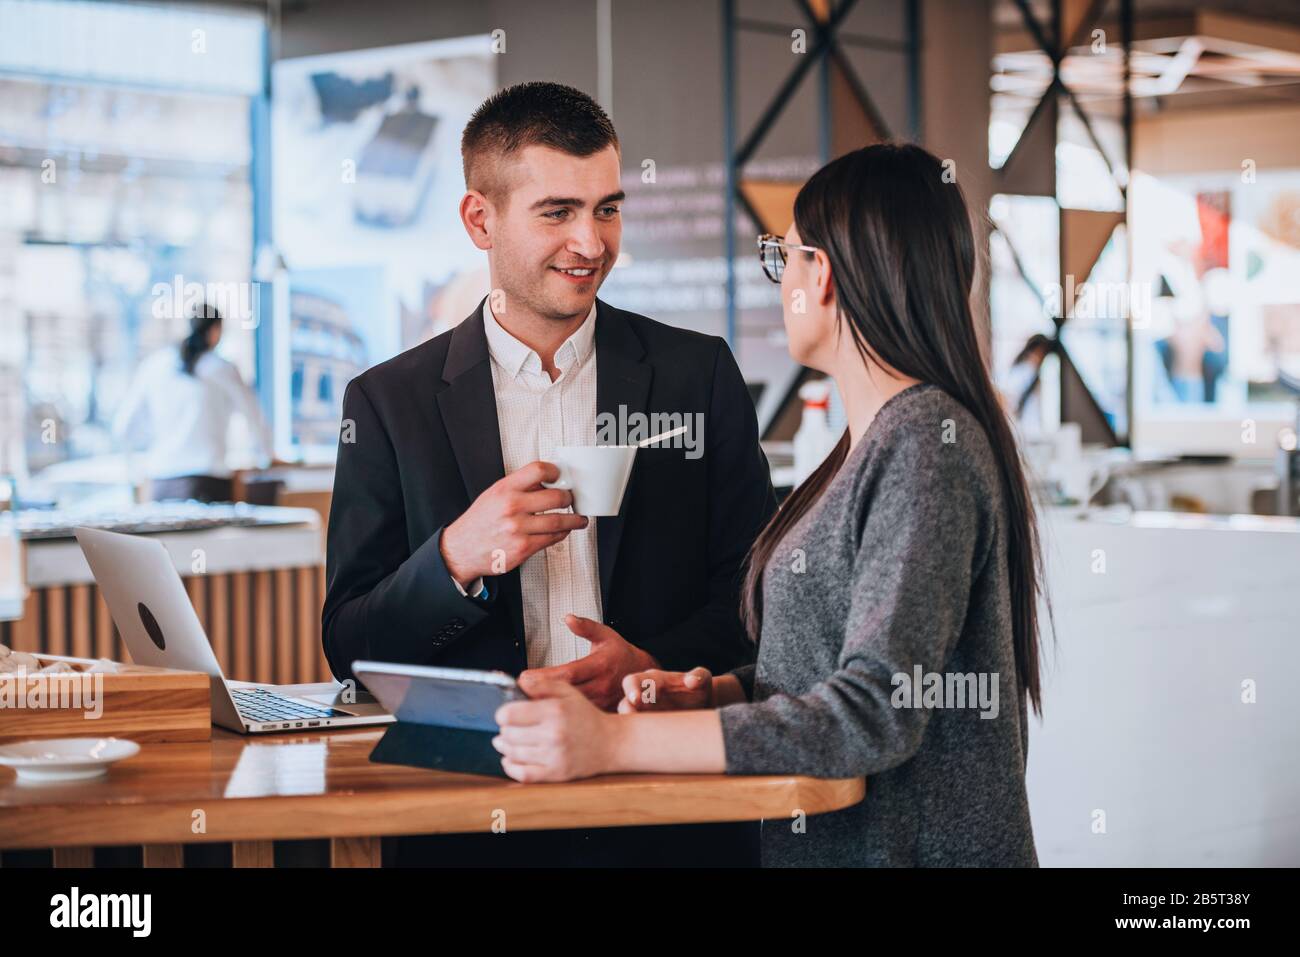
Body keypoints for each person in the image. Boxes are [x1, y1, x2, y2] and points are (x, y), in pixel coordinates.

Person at [494, 143, 1046, 868]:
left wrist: (614, 740)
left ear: (822, 274)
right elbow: (833, 666)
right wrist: (714, 694)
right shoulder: (877, 443)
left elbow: (876, 709)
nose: (778, 277)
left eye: (781, 256)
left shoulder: (925, 445)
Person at [322, 82, 777, 865]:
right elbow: (350, 647)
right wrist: (456, 556)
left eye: (607, 208)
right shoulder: (387, 402)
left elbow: (757, 594)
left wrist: (651, 662)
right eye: (557, 212)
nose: (592, 242)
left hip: (666, 807)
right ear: (479, 219)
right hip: (470, 813)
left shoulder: (695, 374)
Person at [113, 303, 272, 502]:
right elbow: (254, 418)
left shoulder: (156, 364)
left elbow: (123, 428)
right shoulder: (221, 368)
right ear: (215, 330)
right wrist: (267, 457)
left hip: (160, 484)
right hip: (206, 482)